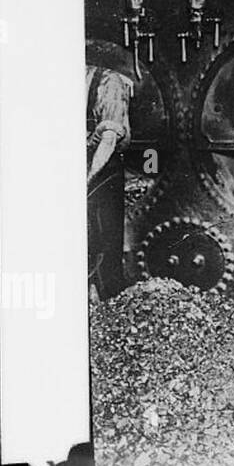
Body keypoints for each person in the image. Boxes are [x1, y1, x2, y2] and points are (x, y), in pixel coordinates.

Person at [86, 39, 136, 301]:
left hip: (103, 168)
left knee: (104, 239)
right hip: (82, 164)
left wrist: (88, 178)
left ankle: (108, 301)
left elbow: (109, 139)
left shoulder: (109, 83)